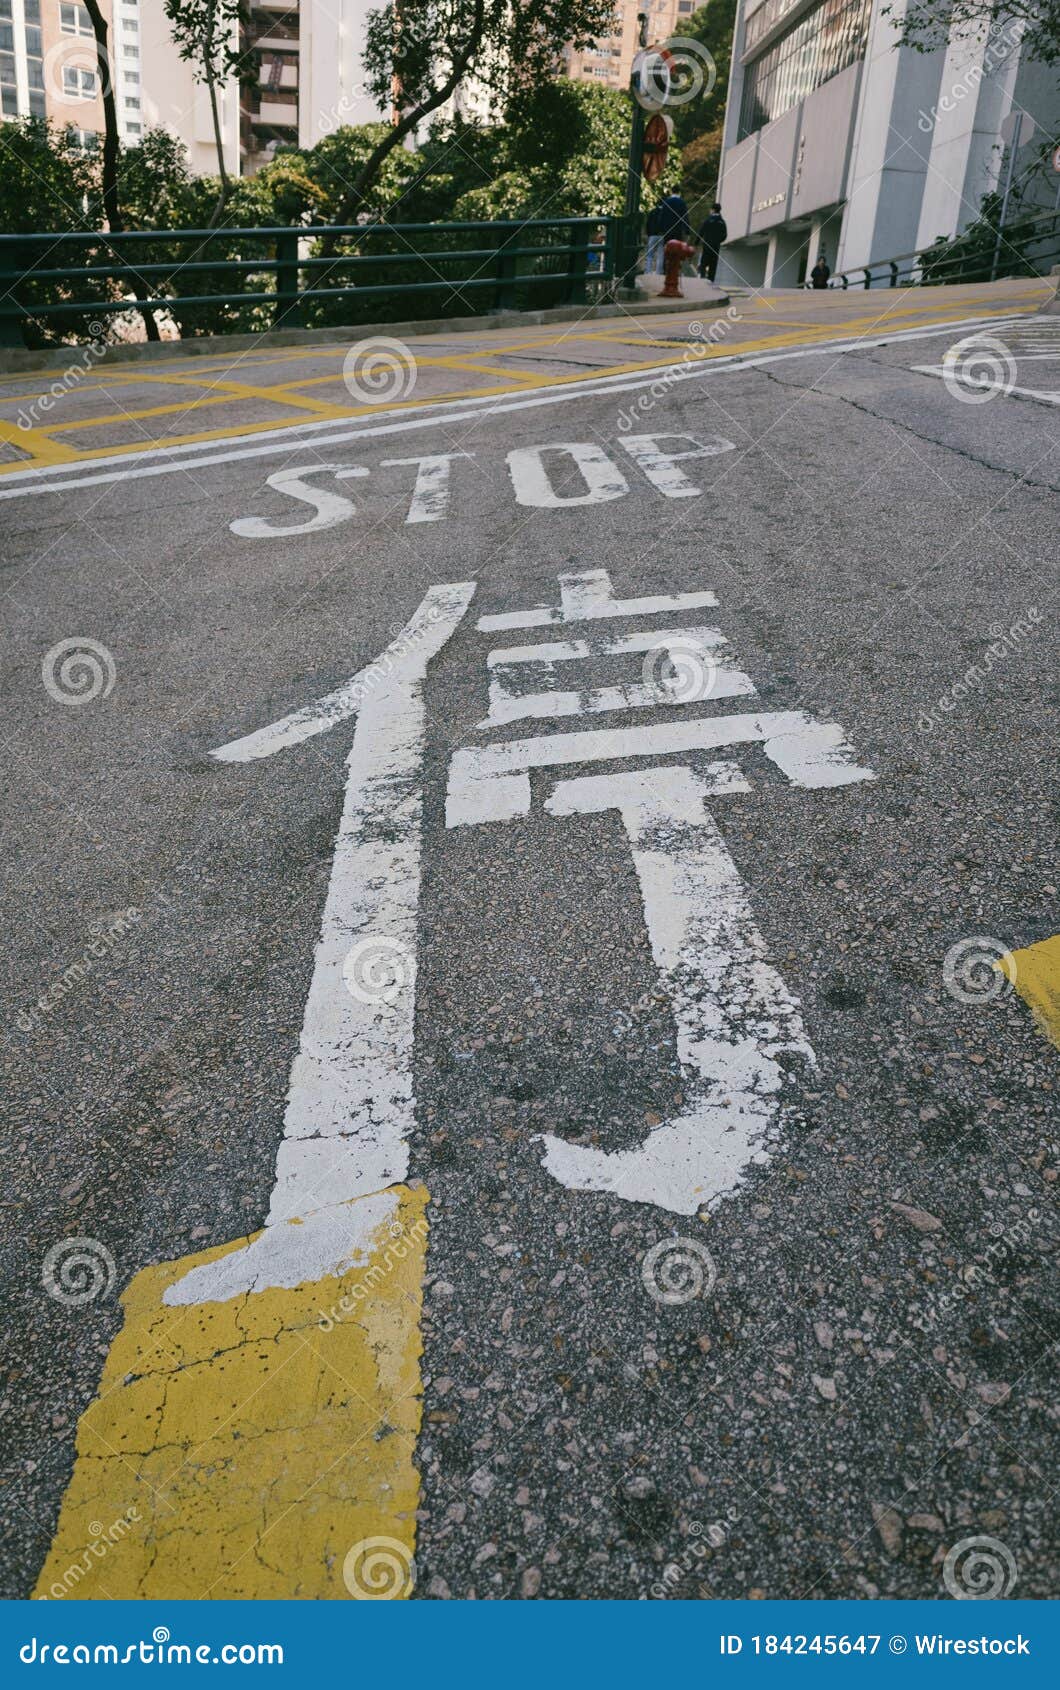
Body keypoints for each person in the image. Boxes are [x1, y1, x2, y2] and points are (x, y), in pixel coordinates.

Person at [697, 202, 727, 281]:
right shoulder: (722, 222)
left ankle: (702, 278)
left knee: (704, 262)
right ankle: (711, 280)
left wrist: (696, 243)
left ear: (713, 210)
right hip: (716, 246)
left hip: (707, 245)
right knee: (713, 265)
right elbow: (724, 235)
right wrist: (718, 241)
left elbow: (701, 232)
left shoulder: (707, 220)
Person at [645, 201, 666, 275]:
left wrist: (648, 234)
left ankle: (648, 271)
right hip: (662, 235)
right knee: (660, 255)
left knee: (649, 255)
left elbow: (648, 223)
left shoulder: (652, 212)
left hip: (652, 235)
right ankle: (658, 272)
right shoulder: (665, 213)